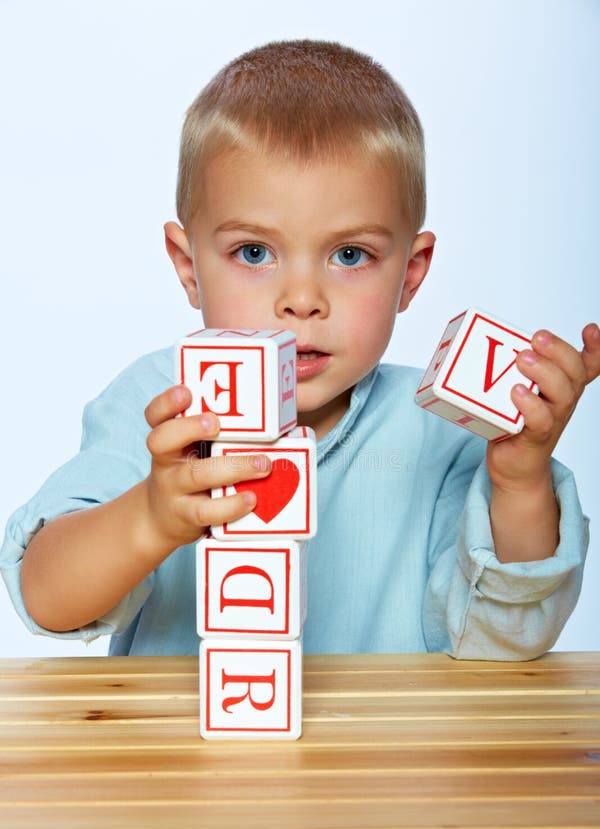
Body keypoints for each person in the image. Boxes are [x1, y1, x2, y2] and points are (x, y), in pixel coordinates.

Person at [1, 40, 598, 659]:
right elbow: (45, 600)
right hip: (181, 756)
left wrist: (521, 480)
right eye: (254, 253)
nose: (303, 299)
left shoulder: (442, 433)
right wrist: (149, 518)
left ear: (410, 276)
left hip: (389, 753)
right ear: (188, 267)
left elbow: (509, 638)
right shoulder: (159, 404)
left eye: (350, 255)